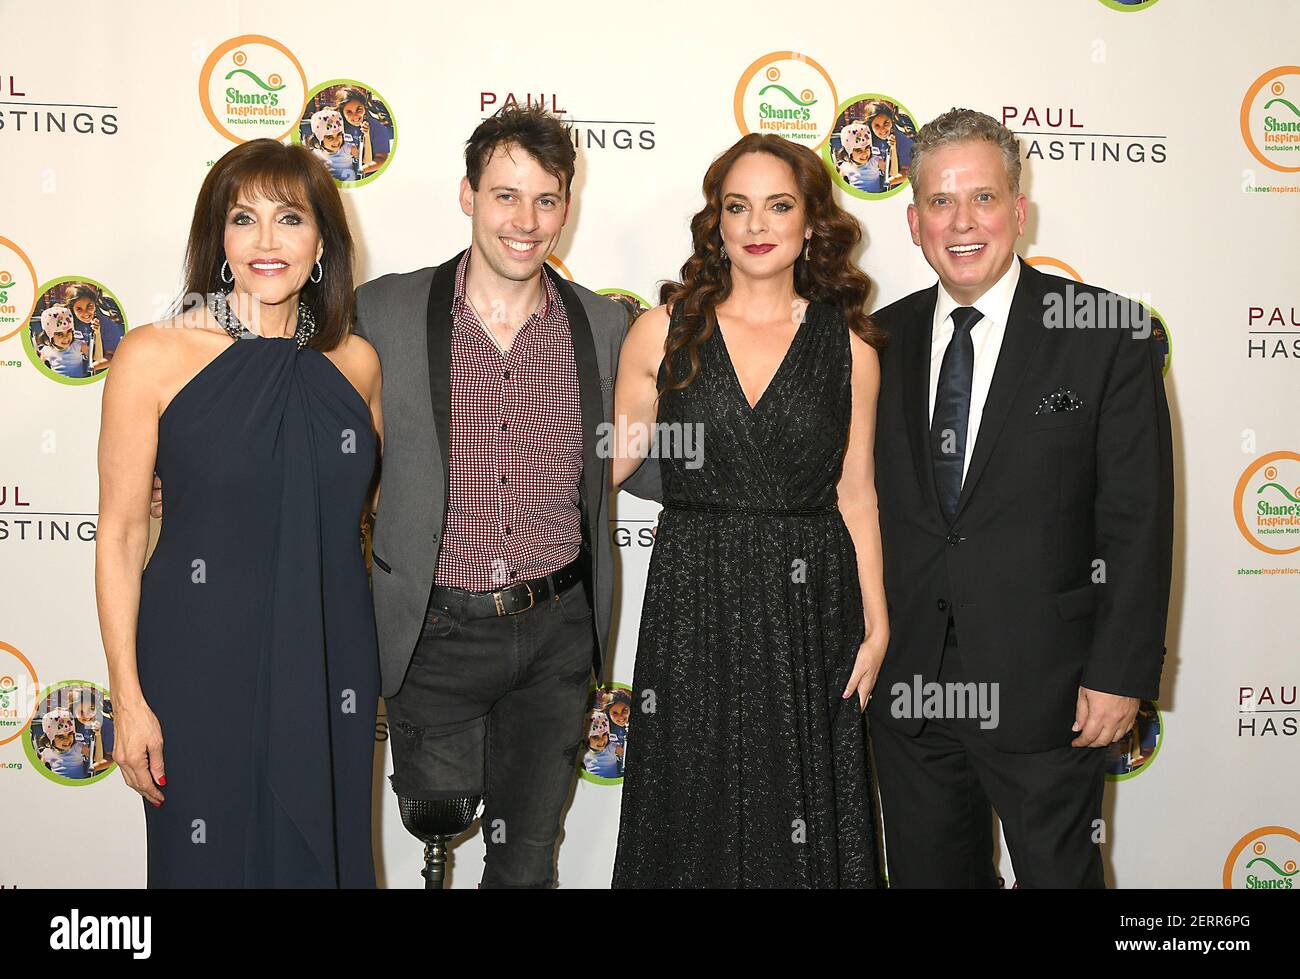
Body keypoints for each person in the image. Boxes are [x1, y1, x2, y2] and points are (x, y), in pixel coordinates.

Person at [350, 103, 660, 888]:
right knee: (431, 836)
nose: (526, 221)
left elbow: (633, 459)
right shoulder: (383, 311)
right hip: (434, 632)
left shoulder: (603, 323)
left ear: (567, 205)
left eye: (547, 199)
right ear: (468, 195)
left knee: (525, 860)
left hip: (558, 631)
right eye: (505, 195)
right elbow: (326, 437)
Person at [867, 108, 1173, 887]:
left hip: (1053, 690)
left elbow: (1137, 520)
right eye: (940, 201)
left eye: (983, 198)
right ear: (912, 221)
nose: (962, 222)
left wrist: (1121, 672)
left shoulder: (1108, 332)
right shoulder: (877, 341)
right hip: (913, 690)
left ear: (1019, 210)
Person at [96, 138, 383, 887]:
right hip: (199, 661)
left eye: (290, 218)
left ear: (322, 242)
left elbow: (362, 512)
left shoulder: (355, 363)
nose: (265, 241)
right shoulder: (154, 355)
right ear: (217, 241)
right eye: (242, 218)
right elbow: (123, 532)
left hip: (329, 659)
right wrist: (127, 698)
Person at [610, 132, 889, 888]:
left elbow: (856, 493)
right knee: (693, 794)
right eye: (739, 207)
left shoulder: (850, 348)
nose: (757, 225)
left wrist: (877, 619)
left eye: (778, 205)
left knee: (797, 804)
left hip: (809, 600)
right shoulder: (664, 331)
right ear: (718, 222)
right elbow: (612, 460)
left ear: (809, 224)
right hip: (695, 591)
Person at [35, 304, 91, 378]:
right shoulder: (46, 350)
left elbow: (94, 357)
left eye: (69, 331)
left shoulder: (78, 345)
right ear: (49, 335)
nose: (66, 337)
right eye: (60, 334)